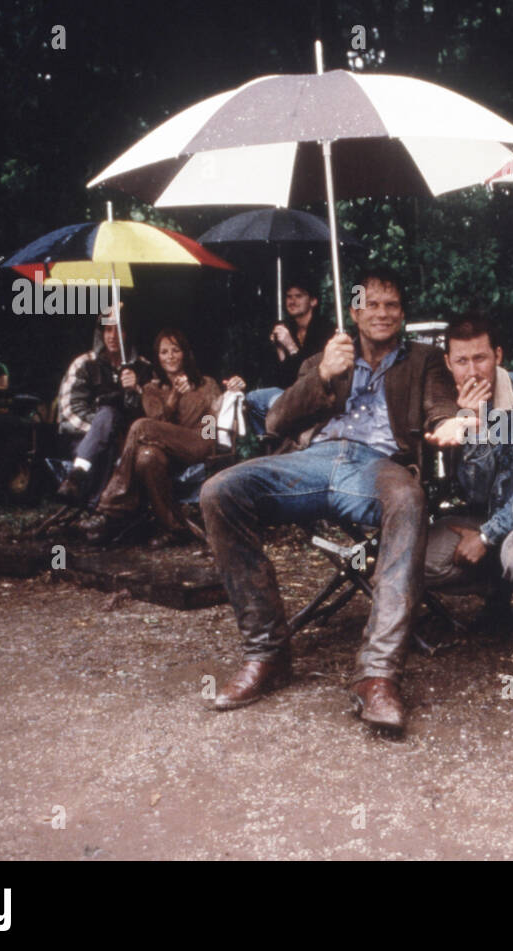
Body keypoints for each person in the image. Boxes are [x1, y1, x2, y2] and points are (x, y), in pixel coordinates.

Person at [200, 268, 470, 732]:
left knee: (408, 499)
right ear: (354, 310)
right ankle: (267, 654)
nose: (382, 313)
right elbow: (277, 421)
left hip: (377, 467)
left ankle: (377, 674)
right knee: (220, 490)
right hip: (314, 459)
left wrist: (453, 423)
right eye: (372, 303)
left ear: (402, 314)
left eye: (392, 305)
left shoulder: (424, 359)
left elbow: (442, 406)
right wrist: (322, 374)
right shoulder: (329, 355)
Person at [423, 313, 513, 594]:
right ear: (448, 362)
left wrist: (486, 536)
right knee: (416, 562)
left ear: (497, 355)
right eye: (461, 361)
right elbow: (476, 491)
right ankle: (493, 587)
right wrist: (473, 421)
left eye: (480, 358)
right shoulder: (444, 402)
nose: (472, 371)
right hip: (474, 515)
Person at [82, 327, 244, 547]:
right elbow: (159, 426)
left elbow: (213, 422)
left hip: (200, 442)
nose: (170, 357)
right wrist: (174, 397)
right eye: (164, 352)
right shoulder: (152, 389)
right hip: (168, 452)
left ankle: (110, 506)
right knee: (147, 457)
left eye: (175, 350)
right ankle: (173, 529)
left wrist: (232, 390)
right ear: (157, 357)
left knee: (140, 426)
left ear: (185, 353)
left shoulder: (206, 383)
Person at [55, 306, 150, 504]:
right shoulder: (84, 364)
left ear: (128, 333)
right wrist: (103, 432)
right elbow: (68, 412)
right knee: (107, 416)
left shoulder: (144, 368)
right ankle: (93, 502)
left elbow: (154, 414)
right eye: (108, 329)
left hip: (129, 443)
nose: (112, 336)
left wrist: (136, 390)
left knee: (114, 436)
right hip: (84, 442)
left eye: (118, 329)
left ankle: (96, 509)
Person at [245, 279, 331, 436]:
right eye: (289, 296)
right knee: (251, 399)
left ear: (313, 301)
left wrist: (291, 345)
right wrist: (280, 351)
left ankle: (279, 438)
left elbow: (313, 375)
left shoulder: (324, 329)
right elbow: (283, 380)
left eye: (298, 296)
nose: (292, 301)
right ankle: (272, 442)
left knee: (260, 400)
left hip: (317, 398)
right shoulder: (286, 329)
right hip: (289, 394)